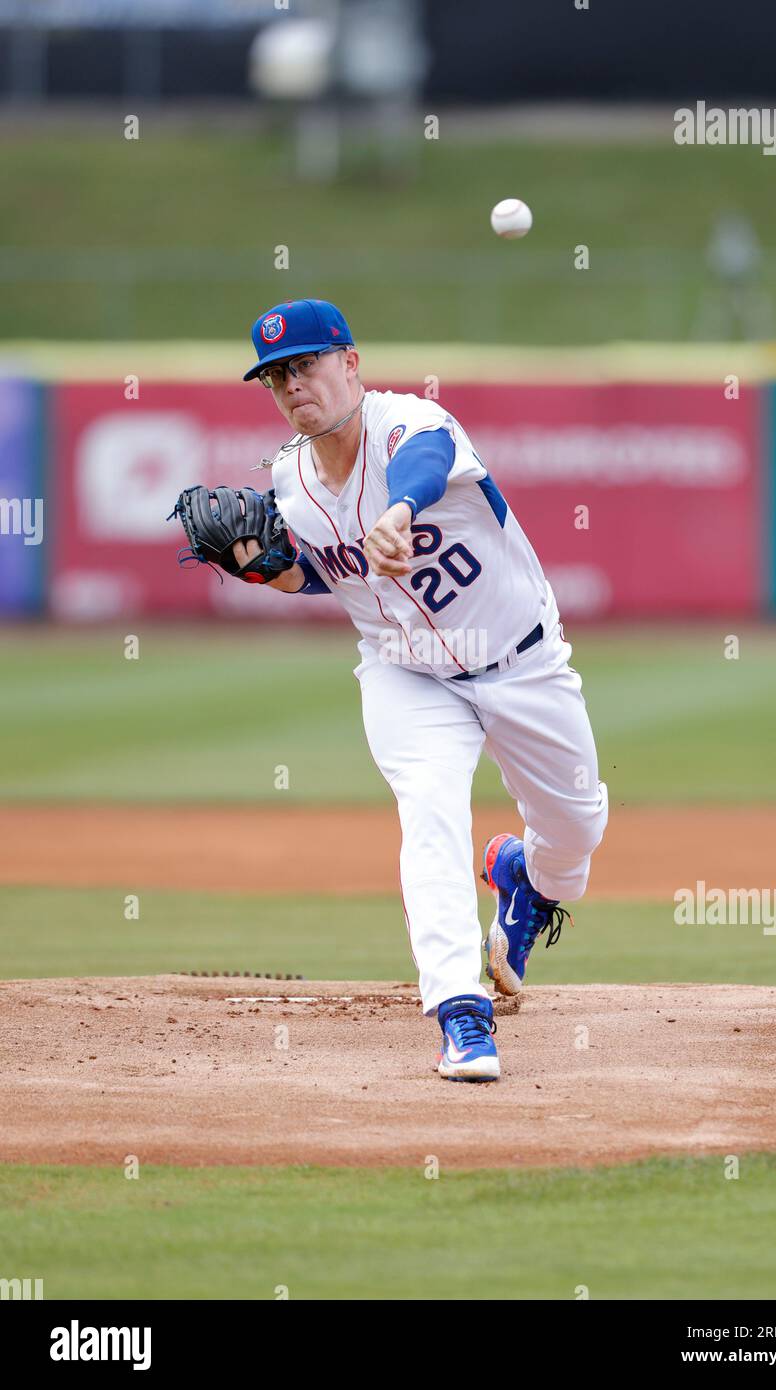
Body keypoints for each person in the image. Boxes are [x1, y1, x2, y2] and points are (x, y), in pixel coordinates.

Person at [235, 298, 608, 1082]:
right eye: (276, 377)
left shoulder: (412, 425)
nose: (293, 386)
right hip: (406, 674)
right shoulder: (289, 482)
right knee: (430, 811)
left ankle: (523, 880)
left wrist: (401, 510)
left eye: (305, 365)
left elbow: (425, 469)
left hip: (520, 659)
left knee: (575, 833)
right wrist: (272, 571)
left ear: (351, 364)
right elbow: (329, 576)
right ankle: (461, 1015)